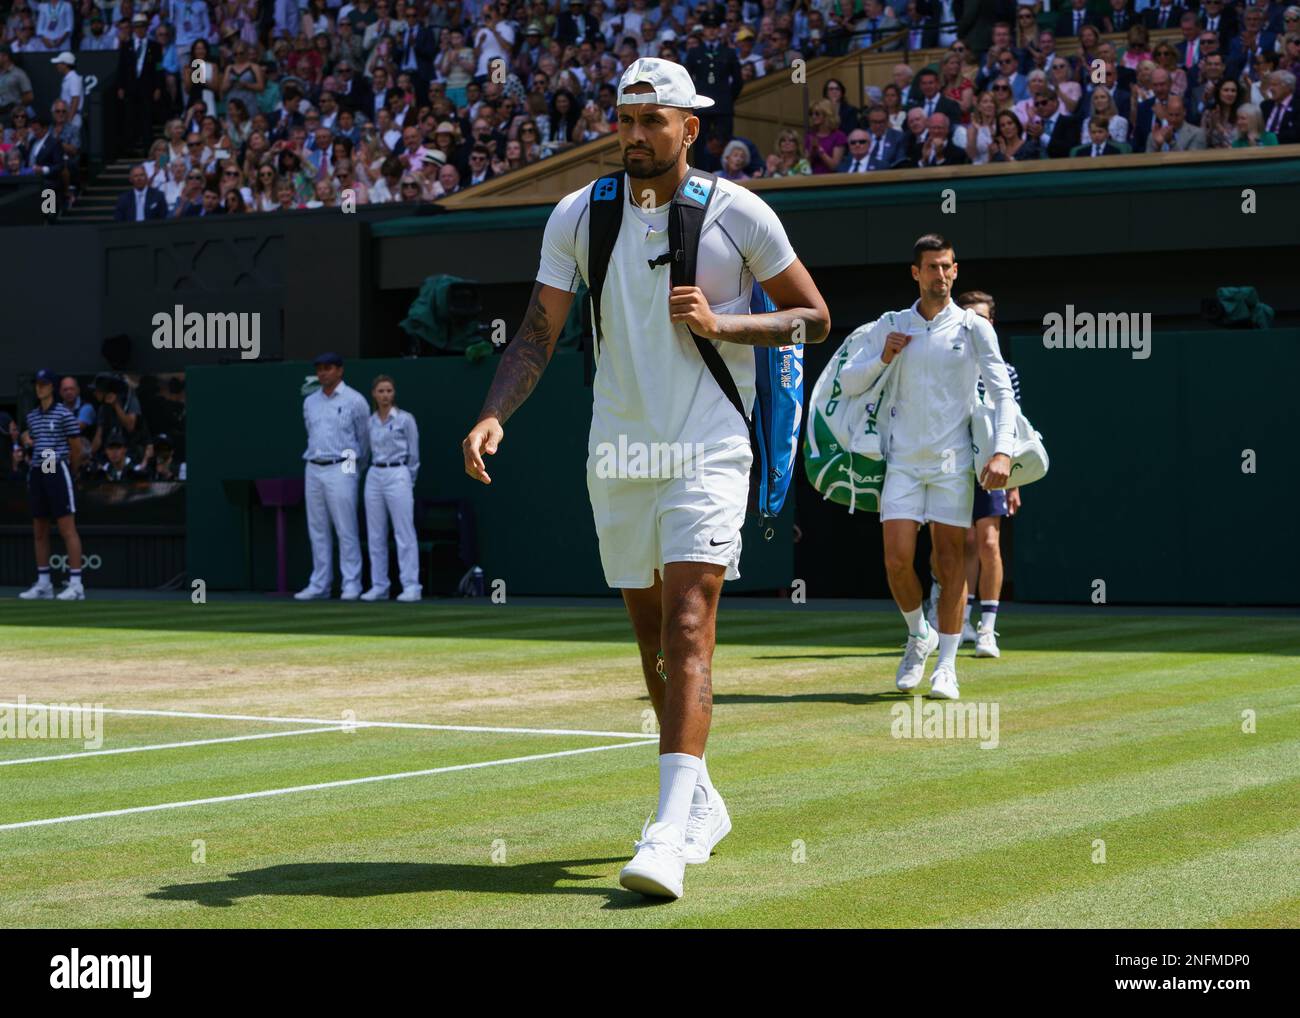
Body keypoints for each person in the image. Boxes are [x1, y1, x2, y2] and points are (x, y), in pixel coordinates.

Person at [460, 57, 830, 901]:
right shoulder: (576, 215)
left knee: (691, 623)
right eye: (623, 120)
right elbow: (535, 333)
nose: (632, 135)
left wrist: (725, 320)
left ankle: (664, 831)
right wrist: (495, 413)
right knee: (652, 638)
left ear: (688, 128)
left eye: (650, 121)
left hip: (708, 444)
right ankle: (699, 798)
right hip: (619, 450)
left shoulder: (739, 211)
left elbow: (813, 314)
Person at [835, 235, 1016, 701]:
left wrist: (1002, 452)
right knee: (896, 560)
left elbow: (1001, 394)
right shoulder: (891, 324)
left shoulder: (974, 329)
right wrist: (884, 356)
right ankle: (919, 634)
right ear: (915, 273)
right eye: (932, 268)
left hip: (953, 465)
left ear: (956, 271)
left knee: (950, 560)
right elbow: (851, 382)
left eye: (948, 267)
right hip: (903, 463)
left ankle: (948, 666)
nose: (941, 275)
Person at [926, 290, 1023, 654]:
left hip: (991, 469)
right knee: (959, 544)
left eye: (982, 318)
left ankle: (987, 628)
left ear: (991, 323)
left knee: (988, 543)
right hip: (951, 465)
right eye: (969, 318)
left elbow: (1014, 425)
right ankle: (959, 620)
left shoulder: (1006, 372)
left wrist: (1013, 478)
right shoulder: (944, 366)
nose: (976, 324)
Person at [297, 352, 370, 600]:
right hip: (313, 465)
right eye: (319, 369)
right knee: (317, 528)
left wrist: (352, 471)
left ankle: (351, 584)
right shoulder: (310, 402)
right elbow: (310, 432)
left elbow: (364, 440)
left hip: (344, 464)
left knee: (345, 527)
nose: (322, 373)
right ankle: (320, 584)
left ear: (339, 370)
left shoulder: (356, 400)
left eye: (327, 368)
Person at [18, 368, 86, 600]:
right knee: (39, 529)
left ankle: (76, 585)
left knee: (67, 528)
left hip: (56, 467)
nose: (39, 387)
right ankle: (44, 583)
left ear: (52, 388)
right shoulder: (32, 417)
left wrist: (70, 470)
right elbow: (34, 444)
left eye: (44, 384)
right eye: (37, 383)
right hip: (39, 469)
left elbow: (76, 448)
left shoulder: (64, 414)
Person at [362, 375, 421, 602]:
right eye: (381, 391)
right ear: (374, 394)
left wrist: (408, 479)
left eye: (388, 391)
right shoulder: (369, 422)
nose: (385, 395)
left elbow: (414, 454)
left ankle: (411, 586)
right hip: (375, 474)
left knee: (403, 532)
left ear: (393, 393)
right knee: (375, 534)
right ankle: (379, 586)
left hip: (399, 473)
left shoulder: (406, 419)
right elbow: (364, 452)